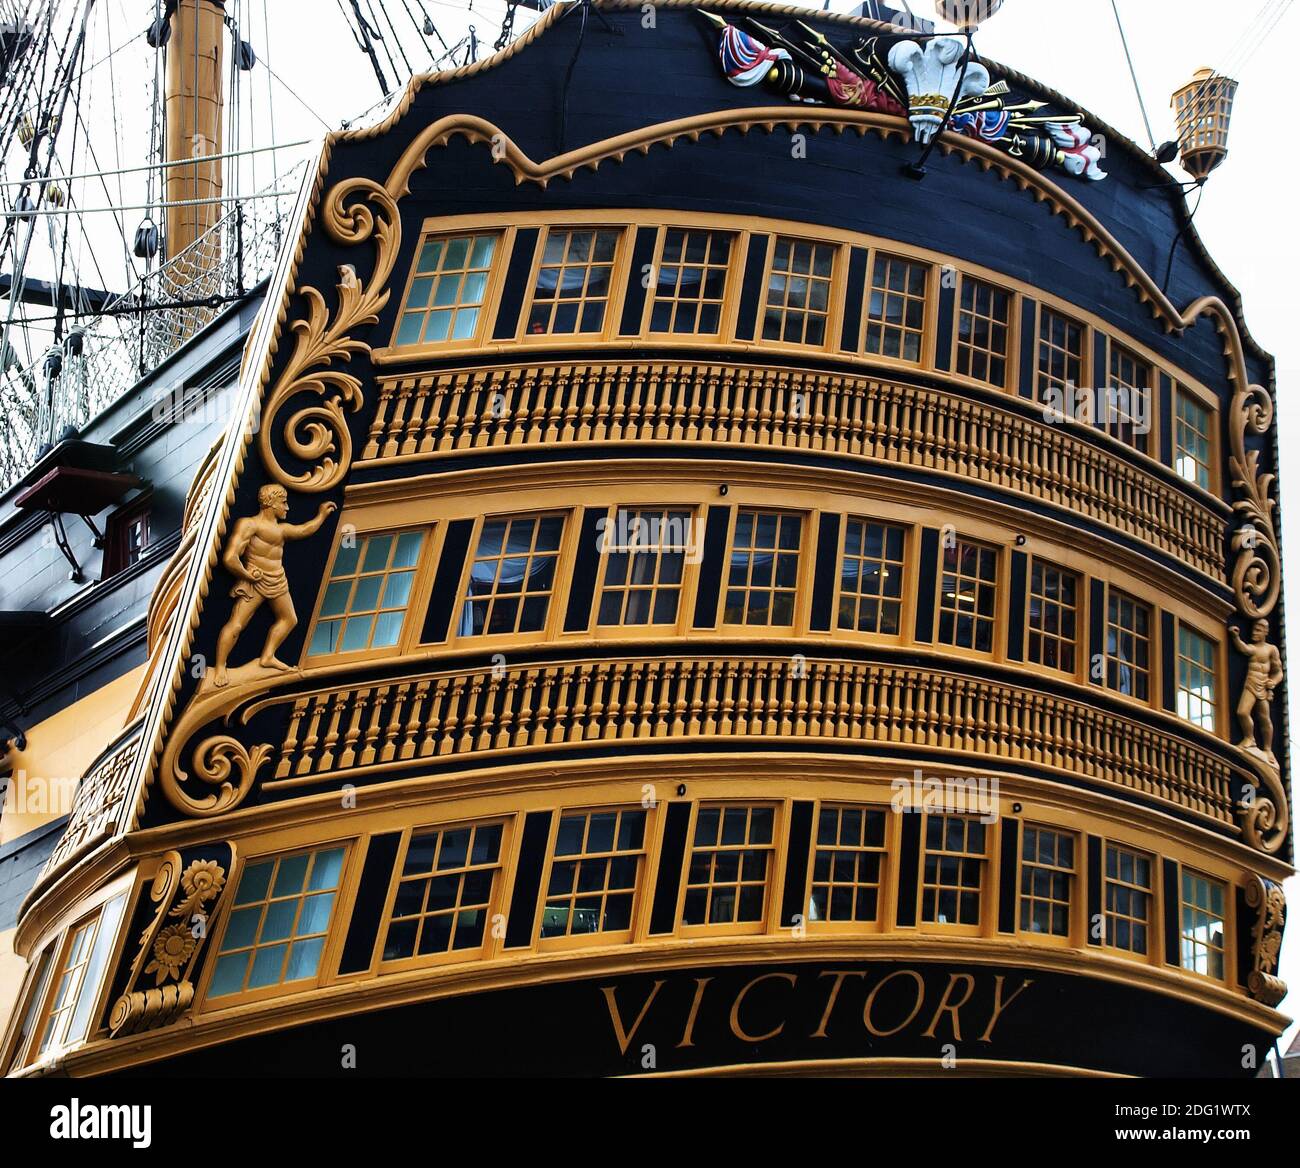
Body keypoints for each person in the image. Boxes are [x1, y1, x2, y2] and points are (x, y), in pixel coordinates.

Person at [212, 484, 336, 687]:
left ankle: (268, 656)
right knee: (236, 624)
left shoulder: (281, 529)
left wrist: (321, 515)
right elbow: (230, 558)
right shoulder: (249, 525)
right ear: (270, 503)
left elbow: (304, 530)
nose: (287, 507)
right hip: (255, 581)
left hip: (277, 580)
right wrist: (247, 575)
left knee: (289, 619)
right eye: (284, 502)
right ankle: (219, 667)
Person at [1230, 619, 1283, 756]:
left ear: (1265, 632)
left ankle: (1267, 749)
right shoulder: (1253, 648)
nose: (1254, 633)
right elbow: (1243, 648)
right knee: (1242, 712)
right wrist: (1235, 637)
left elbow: (1278, 672)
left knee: (1264, 718)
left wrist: (1273, 682)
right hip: (1251, 683)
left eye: (1258, 630)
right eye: (1254, 629)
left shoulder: (1271, 649)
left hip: (1264, 685)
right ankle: (1249, 738)